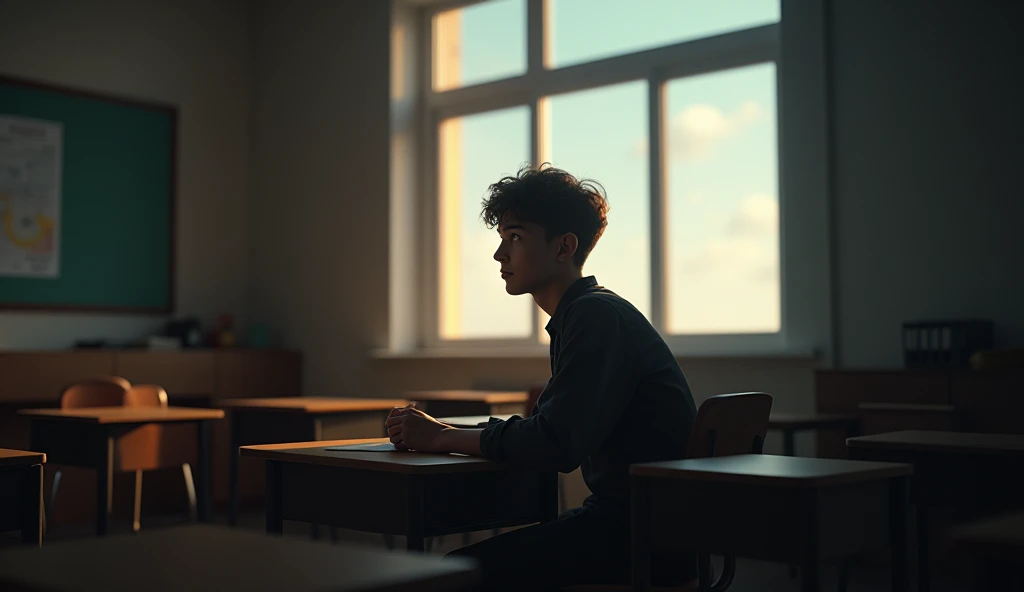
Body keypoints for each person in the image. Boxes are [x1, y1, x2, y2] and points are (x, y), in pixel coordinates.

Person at [385, 164, 698, 590]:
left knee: (451, 575)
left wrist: (441, 437)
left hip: (639, 536)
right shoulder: (585, 313)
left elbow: (555, 443)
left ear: (563, 247)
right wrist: (447, 431)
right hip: (645, 527)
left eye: (515, 237)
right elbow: (551, 431)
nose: (500, 254)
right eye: (501, 239)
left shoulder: (594, 316)